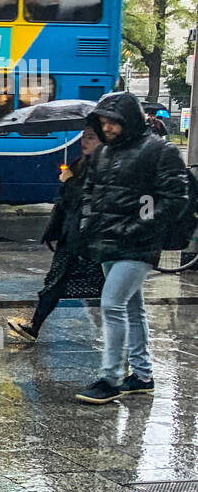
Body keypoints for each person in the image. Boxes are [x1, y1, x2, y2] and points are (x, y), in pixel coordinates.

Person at [75, 92, 189, 404]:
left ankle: (111, 378)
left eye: (113, 122)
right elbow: (91, 191)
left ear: (129, 120)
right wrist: (89, 225)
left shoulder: (159, 150)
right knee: (132, 307)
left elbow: (175, 199)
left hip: (138, 245)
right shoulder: (105, 153)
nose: (108, 127)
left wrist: (140, 228)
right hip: (109, 240)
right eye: (103, 122)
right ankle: (142, 375)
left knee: (112, 304)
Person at [6, 127, 105, 342]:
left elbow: (87, 200)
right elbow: (67, 203)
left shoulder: (103, 168)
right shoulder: (81, 163)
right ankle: (34, 326)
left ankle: (35, 326)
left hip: (85, 237)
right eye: (83, 137)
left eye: (90, 137)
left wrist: (69, 181)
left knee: (105, 289)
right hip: (71, 235)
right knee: (57, 282)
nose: (84, 142)